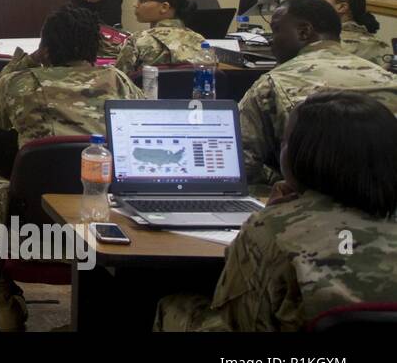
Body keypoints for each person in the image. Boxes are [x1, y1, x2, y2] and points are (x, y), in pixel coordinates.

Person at [0, 4, 145, 330]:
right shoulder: (120, 82)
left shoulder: (23, 84)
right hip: (108, 223)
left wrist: (24, 62)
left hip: (29, 227)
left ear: (46, 46)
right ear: (96, 47)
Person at [155, 91, 397, 331]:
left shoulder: (273, 230)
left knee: (174, 307)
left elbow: (239, 320)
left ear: (302, 155)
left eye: (285, 142)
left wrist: (264, 224)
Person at [238, 0, 397, 187]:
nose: (272, 41)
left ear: (304, 32)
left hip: (311, 203)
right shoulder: (387, 77)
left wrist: (278, 179)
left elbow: (241, 165)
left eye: (276, 30)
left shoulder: (272, 83)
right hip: (385, 204)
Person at [114, 0, 207, 72]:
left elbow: (118, 82)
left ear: (164, 7)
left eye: (142, 0)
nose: (135, 4)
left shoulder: (137, 41)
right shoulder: (200, 41)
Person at [314, 0, 388, 66]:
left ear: (341, 7)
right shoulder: (379, 46)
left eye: (318, 0)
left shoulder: (329, 44)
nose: (311, 4)